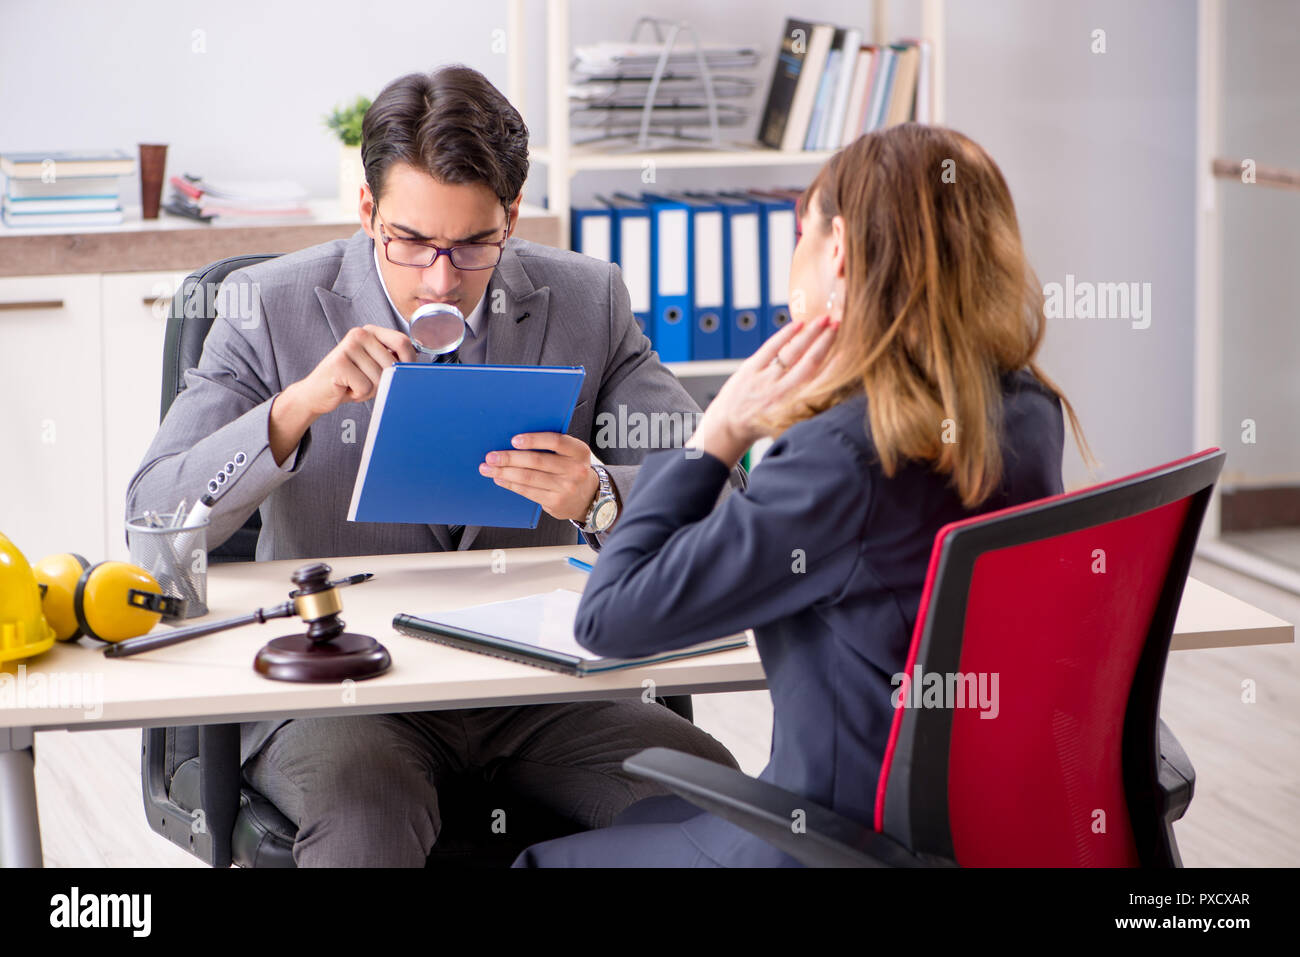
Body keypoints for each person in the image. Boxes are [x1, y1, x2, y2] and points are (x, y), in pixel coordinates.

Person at [127, 64, 743, 867]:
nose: (440, 278)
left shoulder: (588, 300)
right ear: (367, 209)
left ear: (512, 218)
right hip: (344, 695)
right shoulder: (269, 307)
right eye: (411, 242)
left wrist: (601, 493)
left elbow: (718, 484)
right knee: (368, 816)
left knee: (713, 799)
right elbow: (155, 514)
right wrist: (291, 412)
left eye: (473, 244)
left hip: (539, 685)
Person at [514, 123, 1093, 867]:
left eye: (800, 233)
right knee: (651, 812)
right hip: (979, 822)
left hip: (833, 838)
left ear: (841, 251)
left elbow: (609, 617)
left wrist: (714, 436)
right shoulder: (1026, 409)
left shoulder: (844, 459)